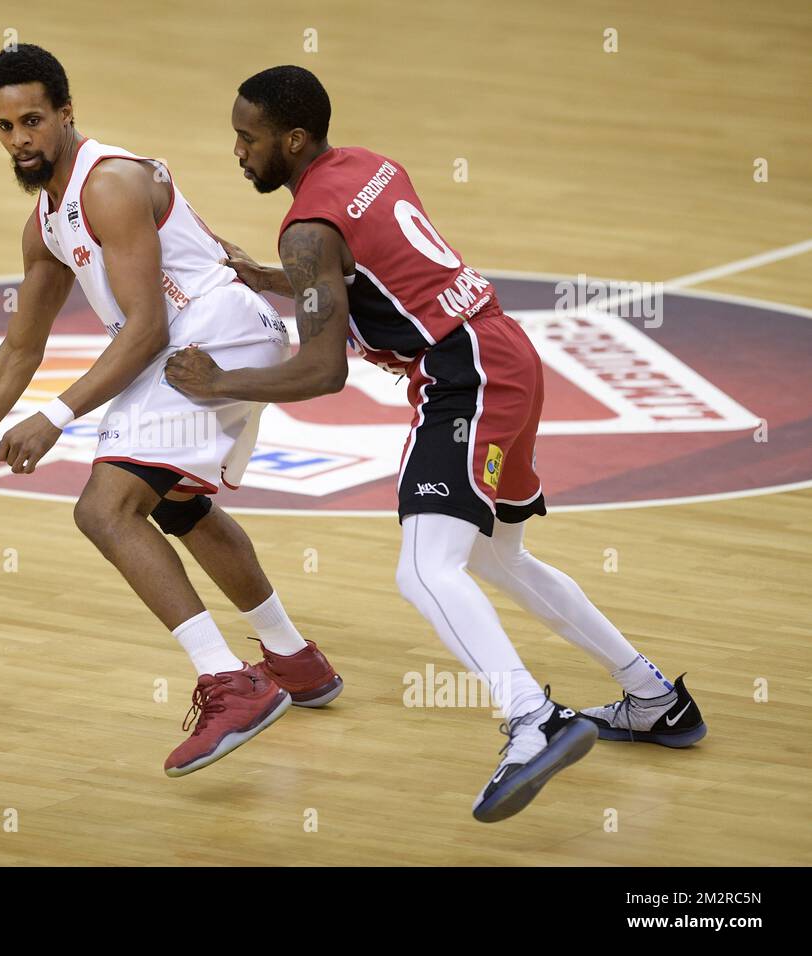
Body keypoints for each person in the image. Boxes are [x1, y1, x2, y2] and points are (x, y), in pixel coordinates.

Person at [164, 65, 705, 821]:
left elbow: (321, 372)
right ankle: (653, 697)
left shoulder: (307, 232)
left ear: (292, 139)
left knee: (424, 570)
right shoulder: (368, 167)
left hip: (464, 383)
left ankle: (532, 720)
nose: (237, 152)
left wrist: (217, 383)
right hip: (504, 352)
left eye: (247, 139)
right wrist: (269, 276)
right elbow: (381, 276)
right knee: (495, 556)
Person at [0, 46, 342, 778]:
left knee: (105, 509)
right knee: (175, 508)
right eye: (3, 126)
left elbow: (147, 329)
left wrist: (57, 417)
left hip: (214, 335)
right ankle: (294, 660)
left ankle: (230, 683)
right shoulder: (44, 226)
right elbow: (16, 353)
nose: (20, 139)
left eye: (32, 120)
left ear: (66, 114)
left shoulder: (110, 185)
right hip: (204, 340)